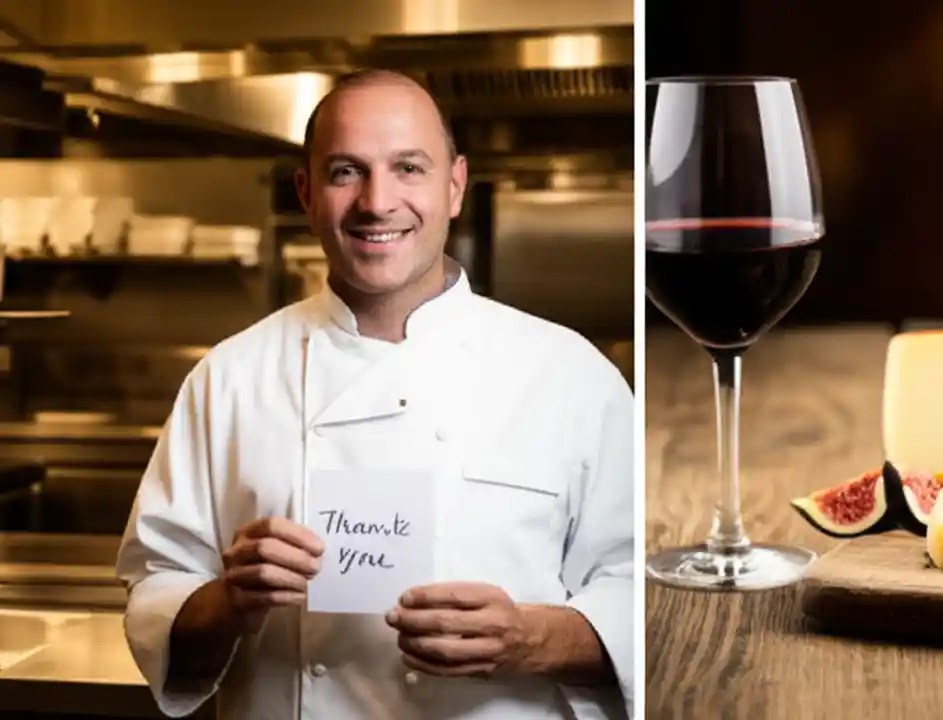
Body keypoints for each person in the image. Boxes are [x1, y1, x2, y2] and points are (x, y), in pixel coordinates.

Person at [115, 69, 635, 720]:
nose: (377, 201)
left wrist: (531, 640)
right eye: (344, 172)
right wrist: (230, 600)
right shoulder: (228, 378)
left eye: (408, 168)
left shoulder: (570, 375)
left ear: (455, 186)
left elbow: (638, 591)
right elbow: (157, 591)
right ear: (307, 194)